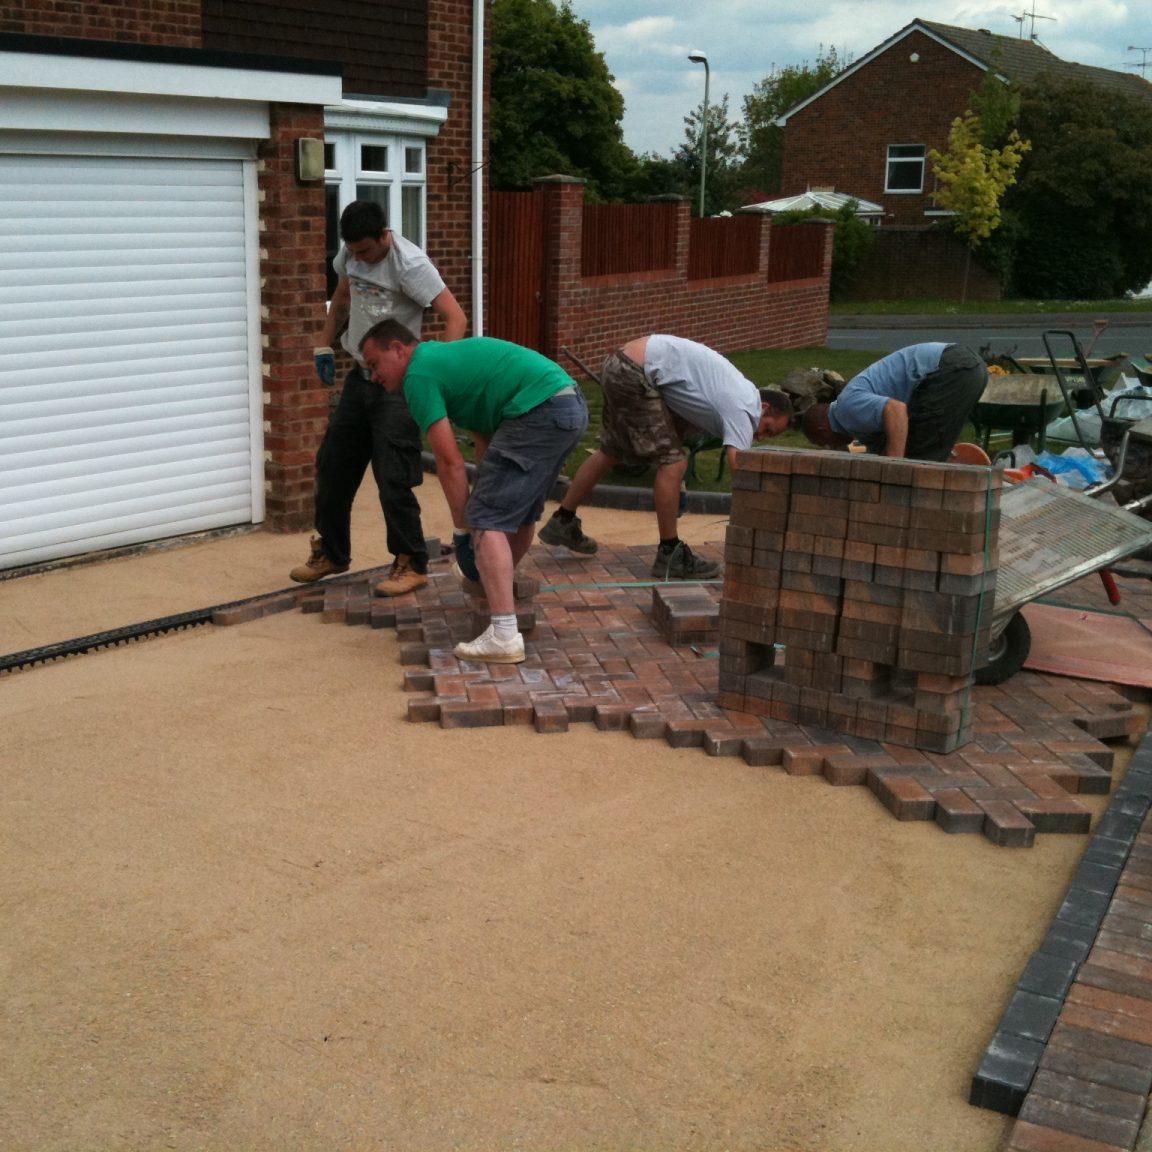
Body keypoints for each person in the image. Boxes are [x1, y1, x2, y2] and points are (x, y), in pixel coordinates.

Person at [358, 320, 588, 664]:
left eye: (374, 364)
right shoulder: (443, 363)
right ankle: (492, 585)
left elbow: (449, 463)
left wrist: (464, 530)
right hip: (567, 406)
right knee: (516, 514)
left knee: (486, 520)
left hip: (539, 410)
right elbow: (485, 441)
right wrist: (482, 505)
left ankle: (504, 635)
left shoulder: (418, 376)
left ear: (398, 348)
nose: (374, 376)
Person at [289, 200, 467, 596]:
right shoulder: (350, 254)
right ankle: (332, 553)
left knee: (393, 474)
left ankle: (410, 562)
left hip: (400, 384)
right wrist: (323, 343)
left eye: (366, 251)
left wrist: (437, 370)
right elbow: (342, 296)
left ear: (385, 235)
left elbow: (456, 317)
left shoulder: (411, 265)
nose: (360, 259)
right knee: (333, 465)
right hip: (361, 376)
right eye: (353, 252)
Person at [537, 334, 793, 579]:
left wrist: (675, 488)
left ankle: (563, 520)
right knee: (674, 462)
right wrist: (767, 510)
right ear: (765, 407)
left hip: (624, 365)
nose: (761, 437)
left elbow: (676, 424)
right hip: (635, 373)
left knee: (613, 450)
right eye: (767, 429)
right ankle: (670, 554)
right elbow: (740, 467)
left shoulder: (731, 391)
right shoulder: (746, 407)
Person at [801, 343, 987, 461]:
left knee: (917, 460)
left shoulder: (847, 408)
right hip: (966, 367)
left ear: (822, 430)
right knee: (925, 451)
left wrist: (893, 467)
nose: (832, 447)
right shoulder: (856, 422)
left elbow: (895, 409)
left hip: (950, 369)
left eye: (824, 443)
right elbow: (881, 447)